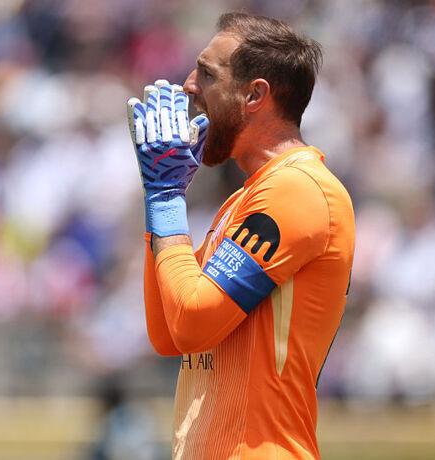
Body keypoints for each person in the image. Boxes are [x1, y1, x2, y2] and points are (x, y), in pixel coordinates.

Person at [126, 12, 355, 460]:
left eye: (208, 74)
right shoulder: (242, 200)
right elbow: (168, 332)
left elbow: (191, 322)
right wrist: (159, 203)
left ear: (254, 95)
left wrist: (168, 199)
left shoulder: (299, 189)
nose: (189, 85)